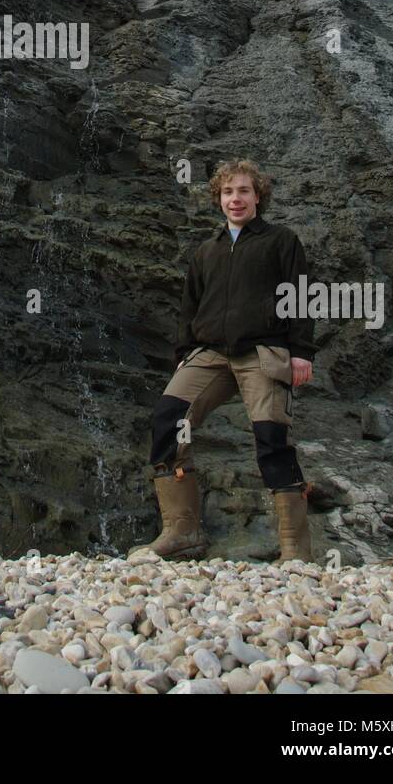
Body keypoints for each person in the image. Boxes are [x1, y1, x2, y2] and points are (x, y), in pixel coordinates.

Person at [129, 158, 316, 563]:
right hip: (209, 353)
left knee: (272, 440)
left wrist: (301, 351)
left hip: (263, 353)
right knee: (168, 421)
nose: (236, 199)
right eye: (228, 192)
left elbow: (301, 295)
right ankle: (183, 533)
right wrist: (183, 355)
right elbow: (189, 307)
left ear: (257, 197)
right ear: (218, 198)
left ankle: (295, 552)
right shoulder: (206, 251)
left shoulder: (281, 241)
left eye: (244, 191)